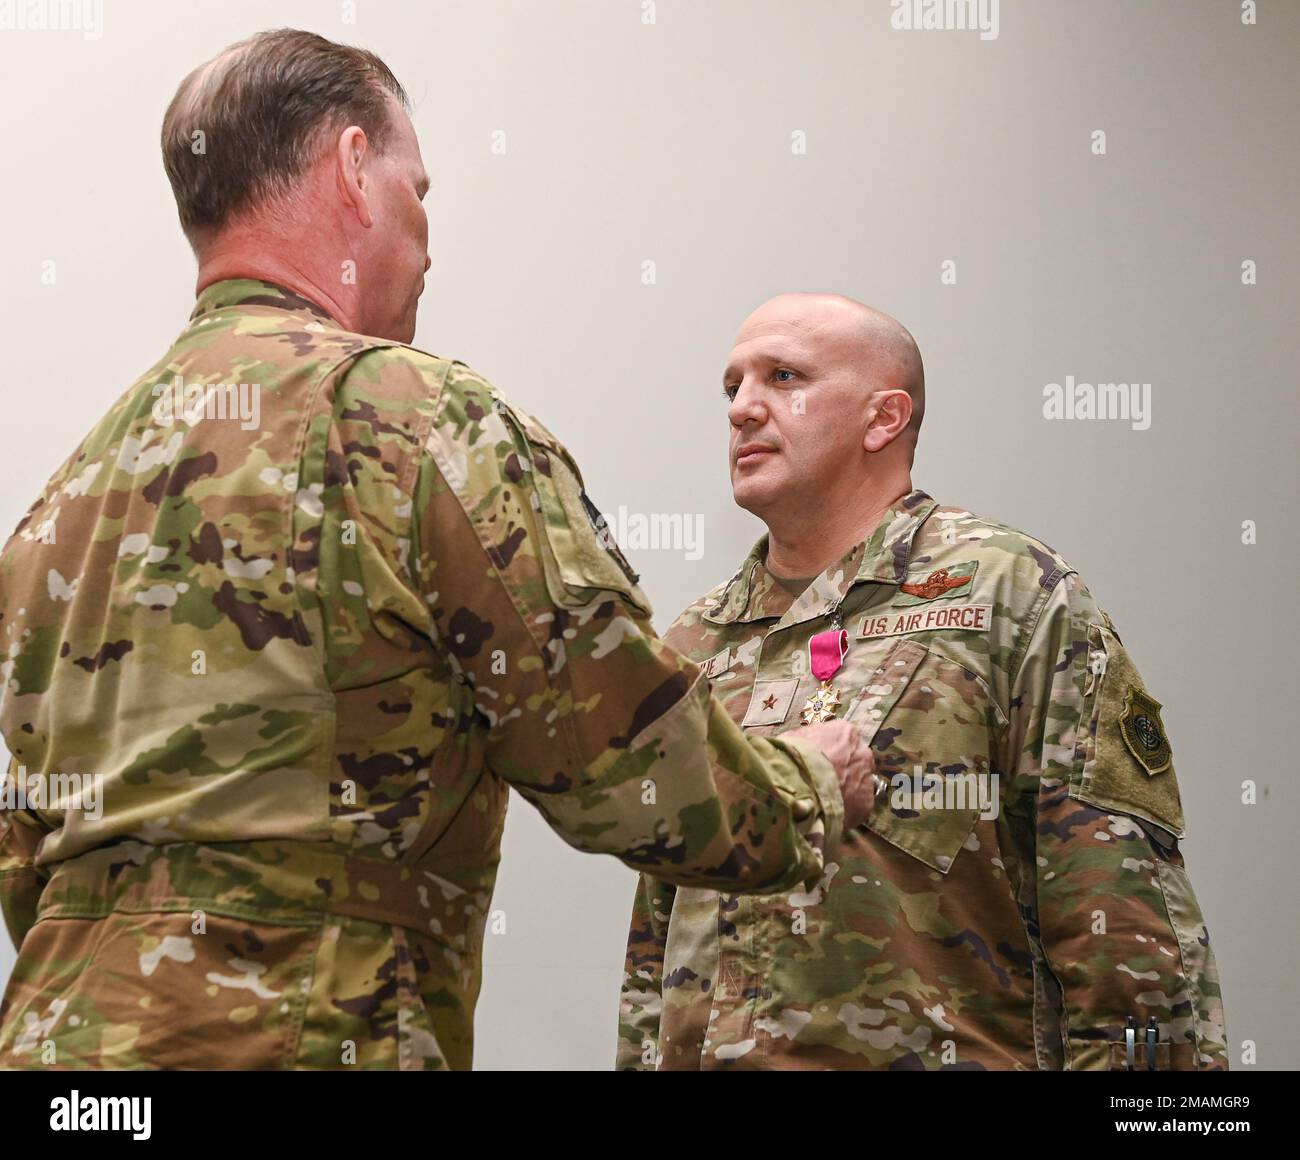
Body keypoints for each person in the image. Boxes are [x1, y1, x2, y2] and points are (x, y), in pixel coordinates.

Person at [0, 32, 875, 1072]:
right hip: (303, 1030)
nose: (427, 240)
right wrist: (807, 786)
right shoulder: (416, 421)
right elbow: (617, 763)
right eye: (418, 191)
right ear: (353, 168)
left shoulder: (65, 497)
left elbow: (23, 849)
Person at [616, 292, 1227, 1071]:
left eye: (783, 376)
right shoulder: (694, 643)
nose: (742, 408)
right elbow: (656, 942)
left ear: (884, 419)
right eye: (733, 386)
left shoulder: (1010, 596)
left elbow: (1122, 931)